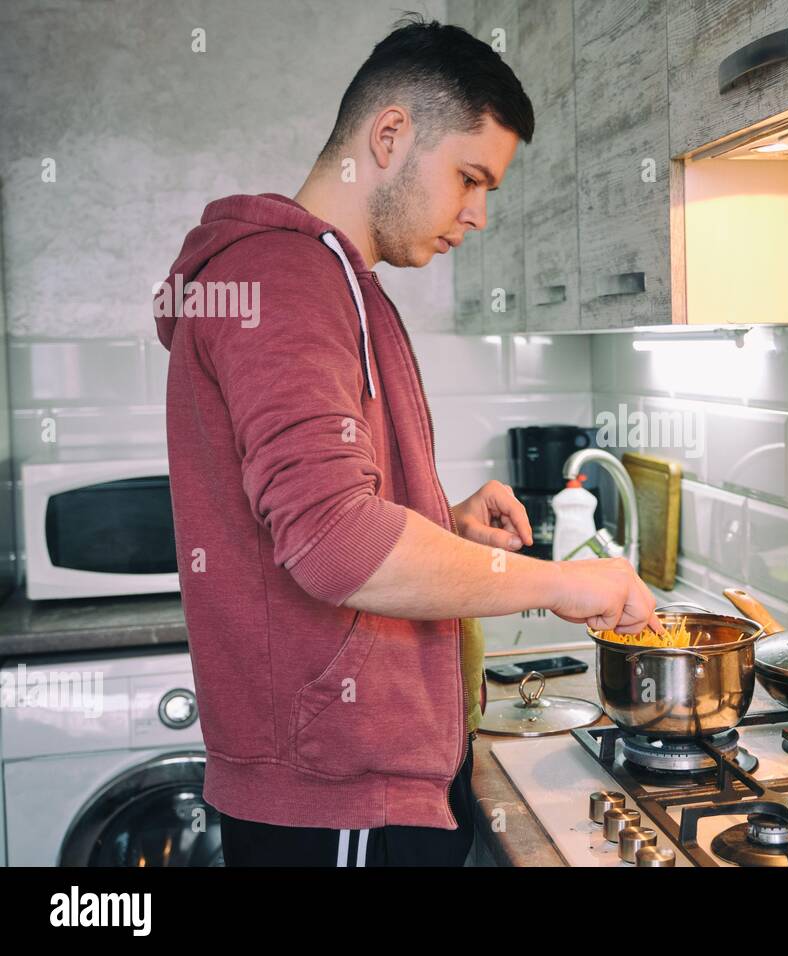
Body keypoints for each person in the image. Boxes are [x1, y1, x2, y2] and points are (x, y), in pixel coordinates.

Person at [154, 14, 663, 867]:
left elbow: (321, 510)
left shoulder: (331, 281)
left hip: (356, 777)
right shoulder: (286, 278)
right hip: (338, 789)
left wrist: (440, 519)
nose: (480, 214)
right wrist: (562, 585)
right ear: (389, 135)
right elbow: (334, 545)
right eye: (470, 177)